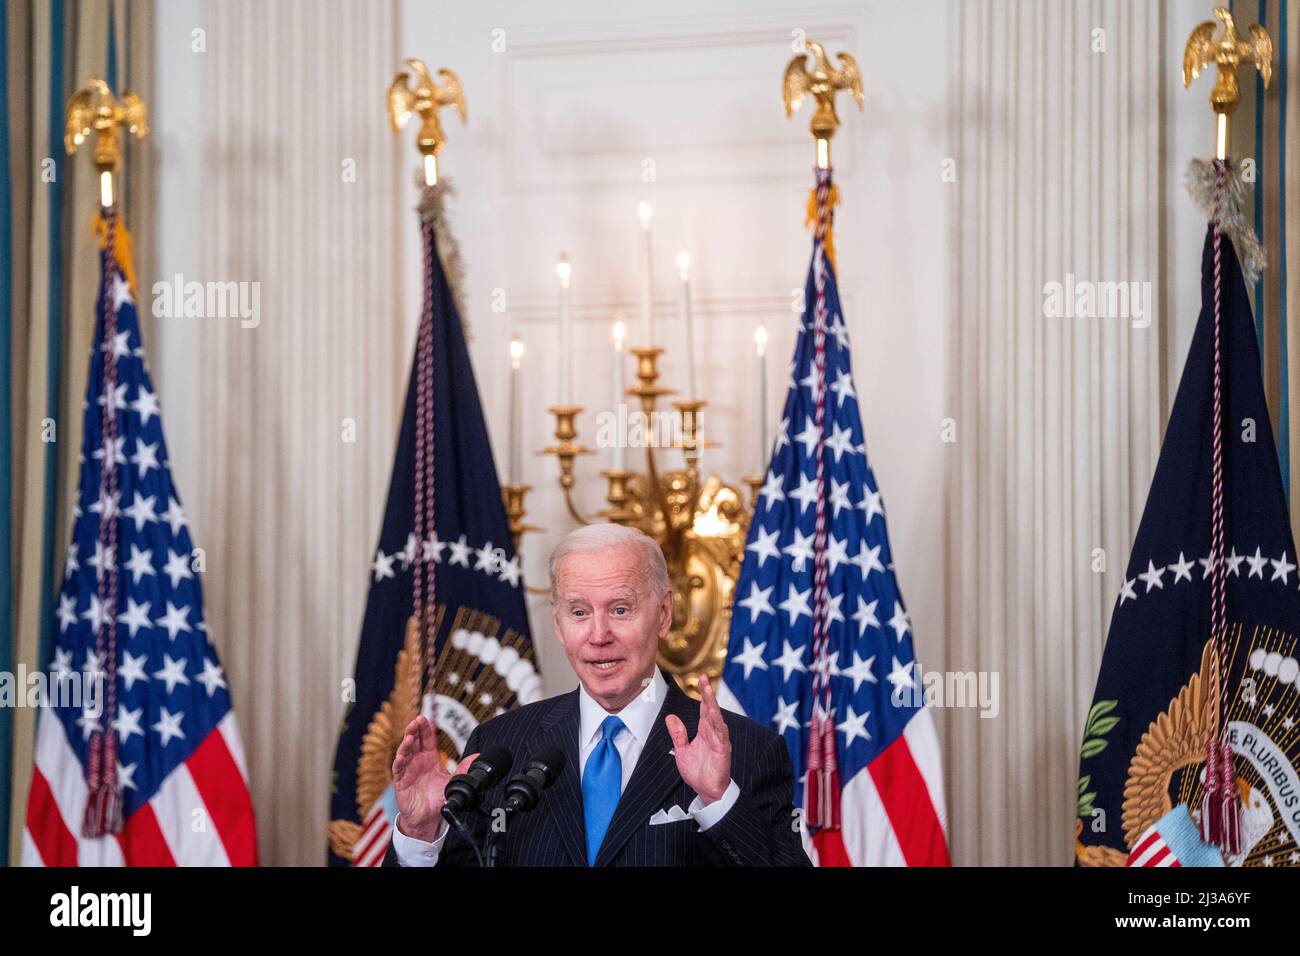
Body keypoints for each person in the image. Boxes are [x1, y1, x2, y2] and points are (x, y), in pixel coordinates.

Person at [383, 523, 812, 867]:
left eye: (620, 609)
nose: (599, 636)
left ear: (663, 614)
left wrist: (719, 802)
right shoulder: (499, 749)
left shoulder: (749, 751)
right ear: (558, 624)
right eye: (579, 612)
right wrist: (420, 833)